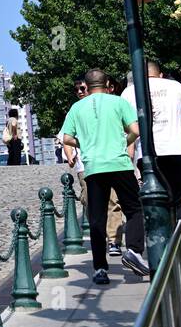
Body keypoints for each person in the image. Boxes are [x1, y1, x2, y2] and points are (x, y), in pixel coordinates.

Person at [60, 68, 148, 283]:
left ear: (87, 86)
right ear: (107, 83)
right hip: (119, 163)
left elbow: (66, 137)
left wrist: (83, 143)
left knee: (97, 218)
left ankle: (100, 268)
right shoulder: (118, 102)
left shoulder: (76, 107)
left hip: (94, 167)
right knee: (134, 208)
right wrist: (122, 142)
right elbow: (136, 130)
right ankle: (134, 251)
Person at [121, 61, 181, 210]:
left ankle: (165, 232)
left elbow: (124, 126)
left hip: (146, 155)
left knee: (157, 202)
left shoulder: (130, 91)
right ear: (161, 75)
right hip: (178, 150)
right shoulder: (175, 86)